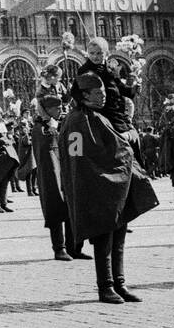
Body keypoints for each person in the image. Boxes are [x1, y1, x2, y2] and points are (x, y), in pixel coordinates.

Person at [59, 71, 159, 303]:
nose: (104, 96)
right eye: (98, 93)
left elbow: (115, 144)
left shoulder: (98, 116)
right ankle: (105, 286)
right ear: (85, 95)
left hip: (112, 186)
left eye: (104, 91)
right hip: (95, 186)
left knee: (119, 235)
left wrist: (127, 140)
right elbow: (77, 158)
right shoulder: (75, 121)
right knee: (103, 239)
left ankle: (120, 283)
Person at [32, 94, 86, 260]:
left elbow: (76, 147)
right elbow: (44, 152)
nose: (61, 110)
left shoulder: (65, 123)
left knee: (72, 209)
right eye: (57, 108)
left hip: (67, 172)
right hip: (51, 175)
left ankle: (74, 247)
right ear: (47, 110)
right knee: (55, 210)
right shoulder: (40, 128)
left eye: (62, 107)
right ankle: (59, 248)